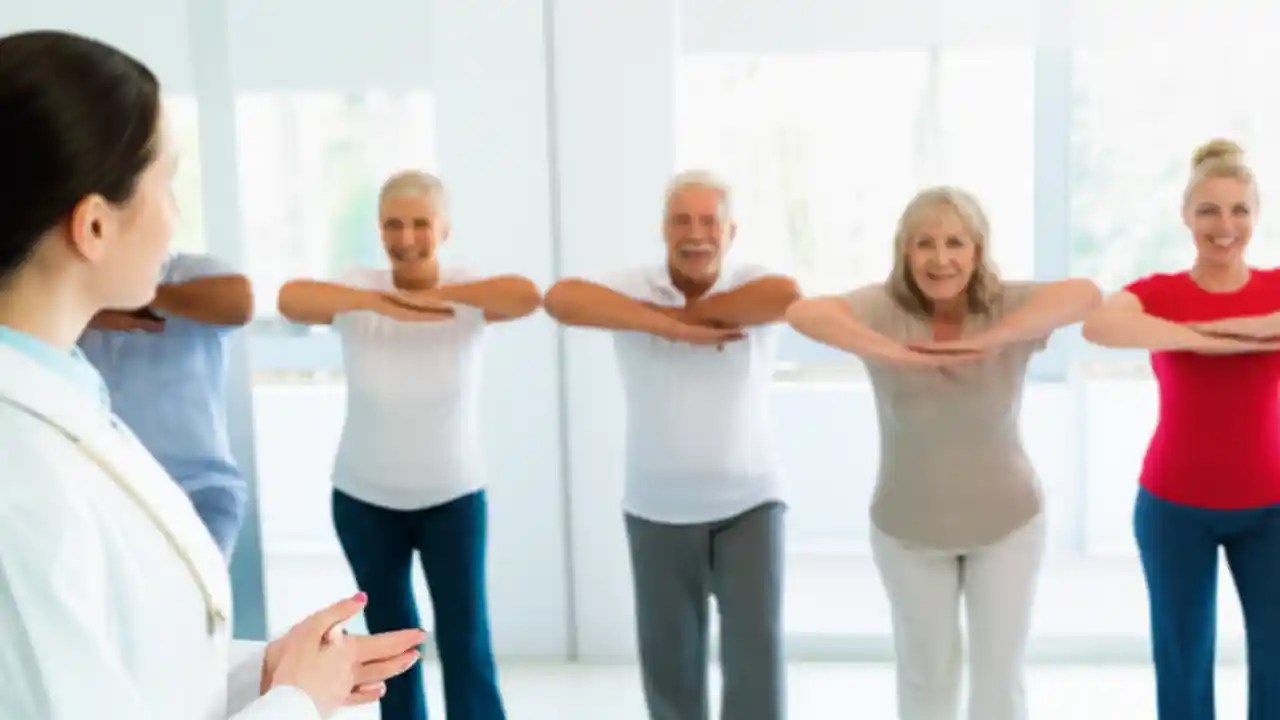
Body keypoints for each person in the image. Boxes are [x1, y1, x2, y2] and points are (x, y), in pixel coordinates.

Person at [0, 30, 427, 719]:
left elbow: (121, 669)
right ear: (94, 226)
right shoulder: (19, 476)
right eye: (166, 183)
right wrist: (295, 702)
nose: (176, 219)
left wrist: (261, 672)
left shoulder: (60, 396)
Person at [787, 186, 1101, 720]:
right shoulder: (881, 309)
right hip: (907, 529)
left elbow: (1086, 293)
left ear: (978, 250)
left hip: (1007, 524)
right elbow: (803, 312)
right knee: (925, 681)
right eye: (923, 244)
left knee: (998, 684)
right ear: (904, 252)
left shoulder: (1006, 304)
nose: (941, 258)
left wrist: (992, 340)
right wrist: (893, 352)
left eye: (956, 242)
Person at [278, 170, 540, 720]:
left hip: (453, 499)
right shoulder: (357, 285)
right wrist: (388, 302)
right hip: (364, 500)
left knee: (467, 638)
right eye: (394, 224)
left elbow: (526, 296)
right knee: (392, 645)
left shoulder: (471, 292)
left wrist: (431, 296)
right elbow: (291, 299)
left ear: (444, 228)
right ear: (379, 230)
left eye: (421, 223)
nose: (407, 237)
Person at [544, 170, 801, 720]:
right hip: (657, 510)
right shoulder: (636, 284)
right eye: (682, 220)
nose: (696, 233)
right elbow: (560, 299)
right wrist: (666, 325)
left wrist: (686, 319)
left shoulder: (752, 280)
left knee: (755, 661)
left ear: (732, 231)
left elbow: (787, 296)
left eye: (710, 221)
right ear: (664, 229)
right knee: (670, 668)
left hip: (750, 506)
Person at [1082, 140, 1280, 720]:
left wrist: (1200, 332)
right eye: (1210, 210)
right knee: (1183, 663)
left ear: (1255, 214)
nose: (1225, 226)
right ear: (1186, 216)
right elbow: (1097, 325)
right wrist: (1217, 337)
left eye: (1239, 209)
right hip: (1174, 507)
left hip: (1272, 508)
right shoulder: (1158, 292)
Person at [78, 252, 254, 558]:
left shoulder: (189, 271)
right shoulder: (63, 291)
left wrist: (141, 298)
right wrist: (85, 305)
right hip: (97, 496)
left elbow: (239, 303)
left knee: (192, 603)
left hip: (197, 491)